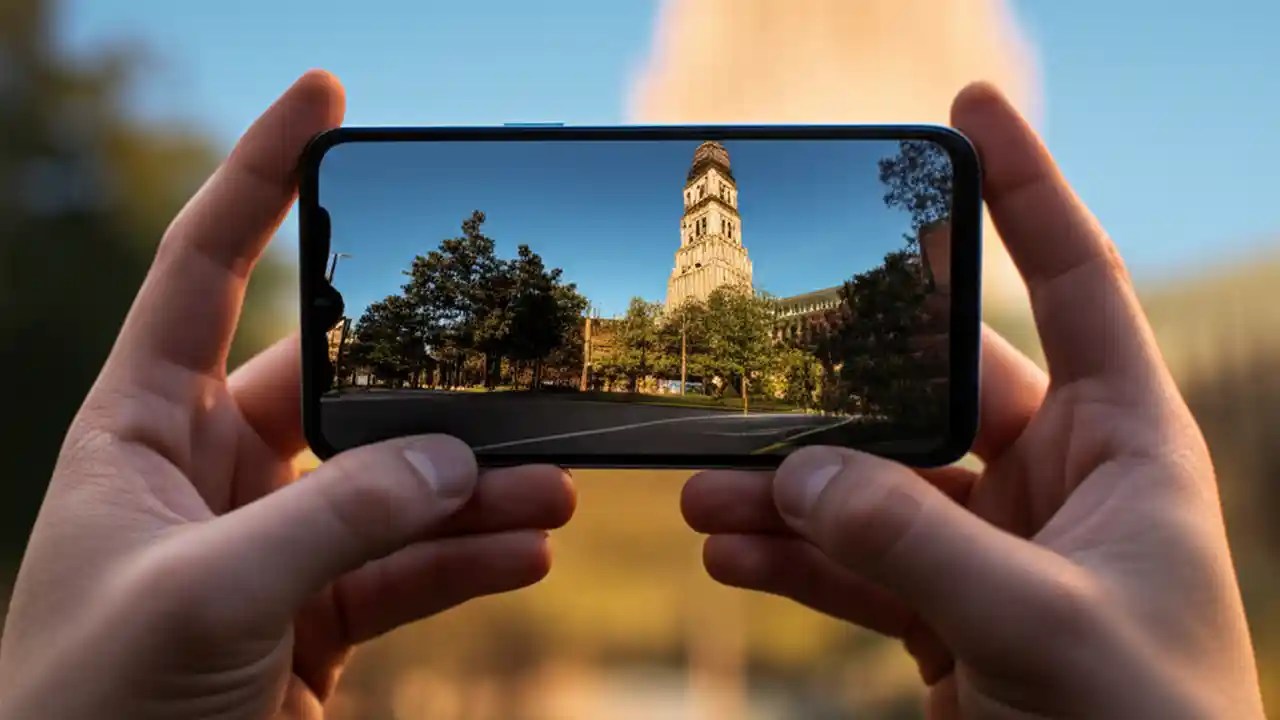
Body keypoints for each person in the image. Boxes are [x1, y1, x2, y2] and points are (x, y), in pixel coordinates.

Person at [0, 70, 1265, 719]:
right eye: (702, 196)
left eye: (712, 196)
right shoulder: (682, 276)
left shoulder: (742, 280)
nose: (707, 204)